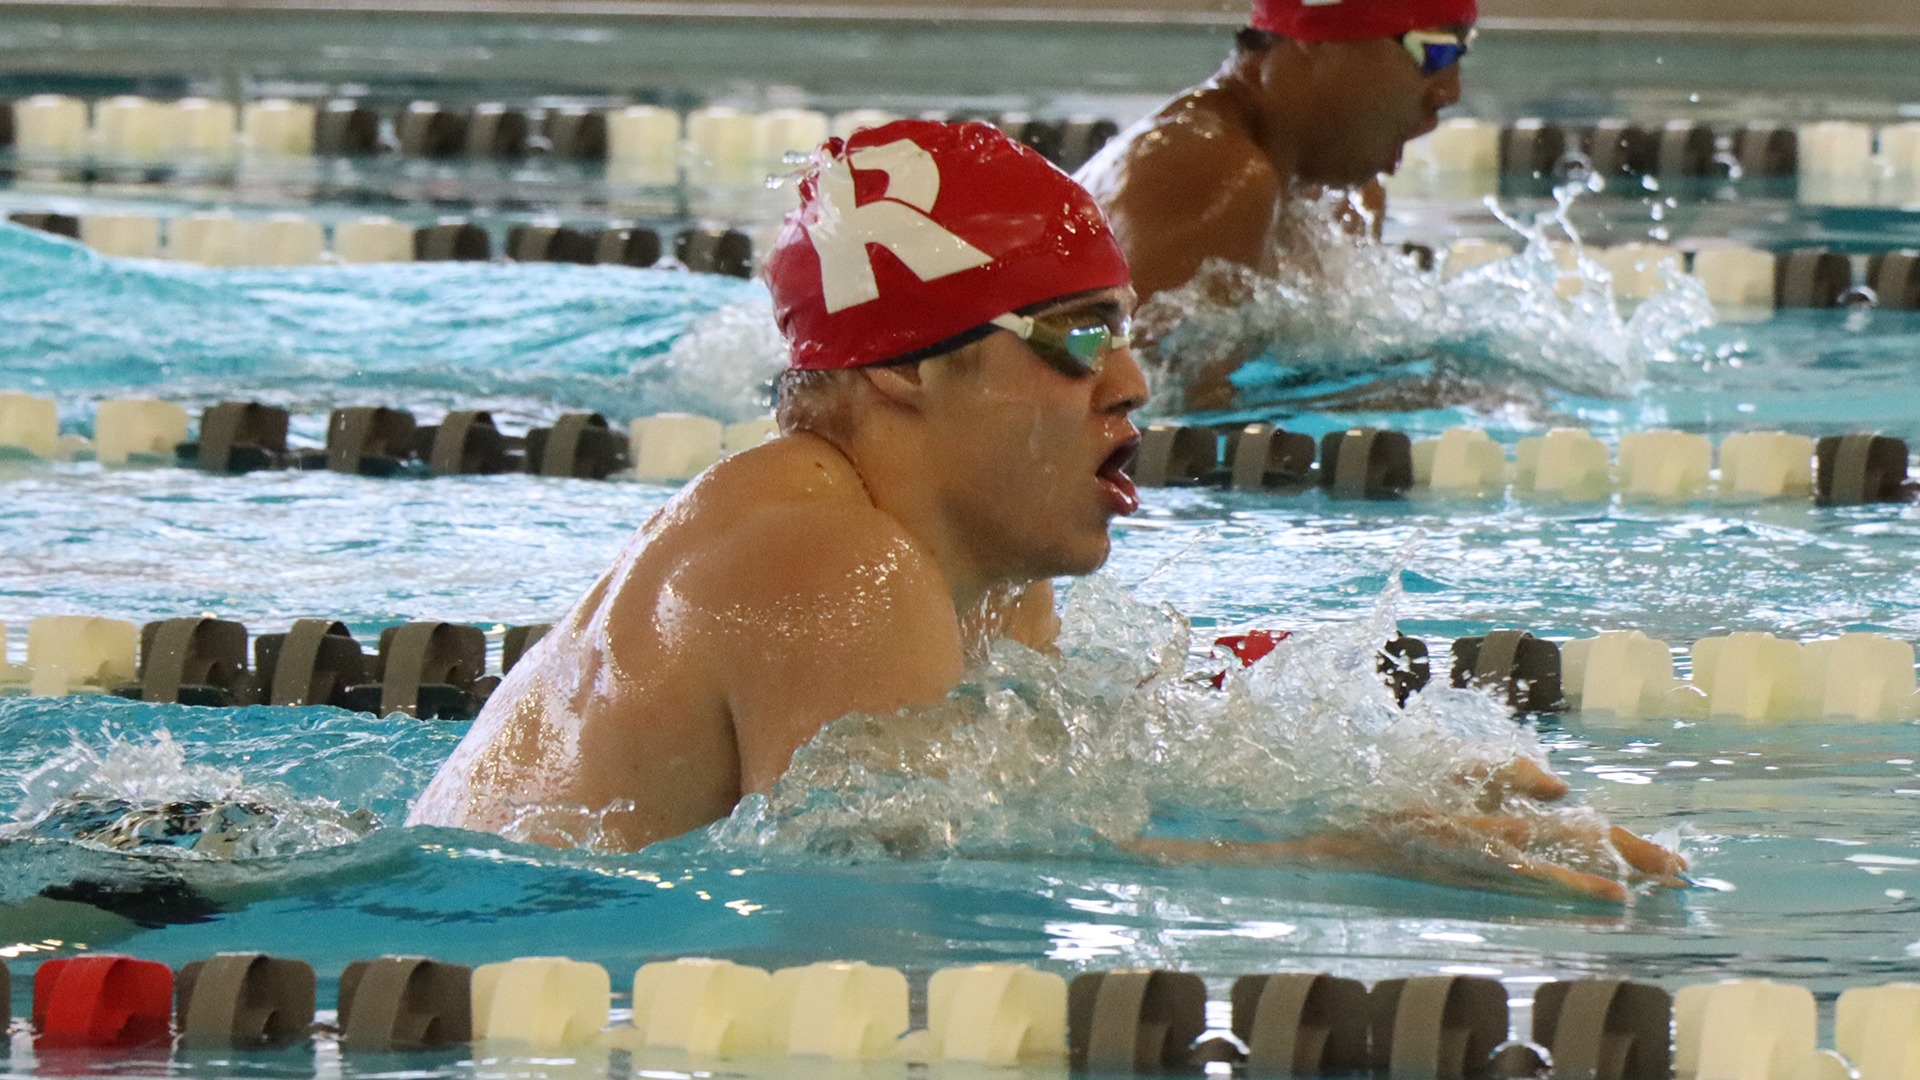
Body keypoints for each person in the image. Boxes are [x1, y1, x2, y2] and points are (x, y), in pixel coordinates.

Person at [408, 119, 1681, 902]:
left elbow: (1053, 812)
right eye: (1074, 339)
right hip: (481, 968)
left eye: (1122, 332)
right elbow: (915, 892)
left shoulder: (980, 568)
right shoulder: (824, 553)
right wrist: (1370, 857)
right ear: (905, 365)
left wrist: (1401, 791)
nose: (1131, 383)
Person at [1075, 0, 1476, 407]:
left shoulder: (1346, 201)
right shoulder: (1218, 175)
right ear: (1318, 37)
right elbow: (1129, 413)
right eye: (1434, 52)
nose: (1450, 91)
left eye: (1464, 51)